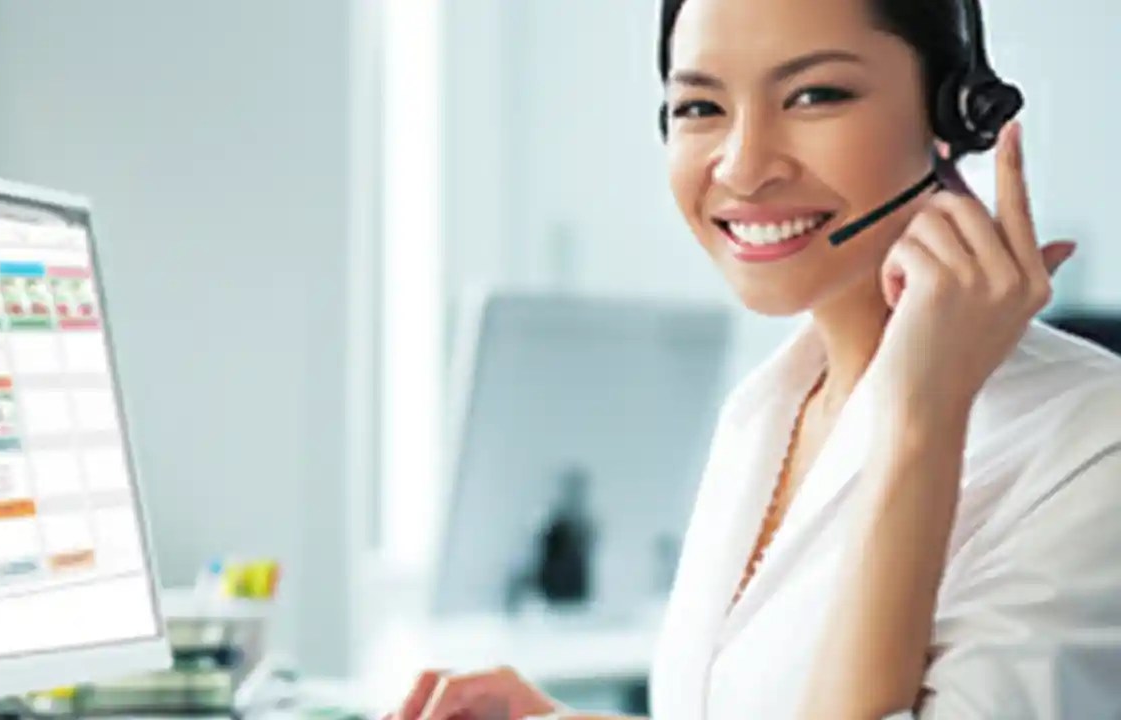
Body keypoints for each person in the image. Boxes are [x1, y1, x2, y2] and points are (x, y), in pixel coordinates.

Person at [386, 0, 1121, 717]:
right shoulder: (769, 409)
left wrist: (920, 419)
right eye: (700, 108)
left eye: (814, 95)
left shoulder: (1095, 446)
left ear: (957, 114)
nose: (742, 167)